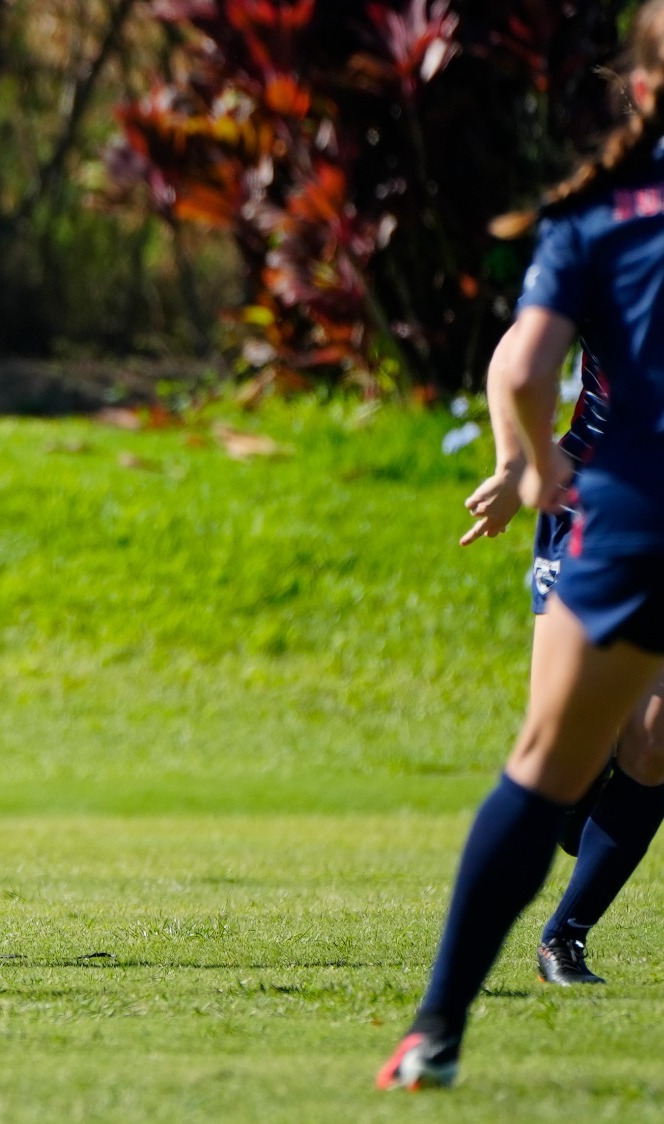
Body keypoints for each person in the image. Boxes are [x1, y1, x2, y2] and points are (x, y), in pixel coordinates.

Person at [382, 1, 664, 1086]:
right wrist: (527, 465)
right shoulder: (595, 217)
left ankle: (443, 1021)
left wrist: (518, 456)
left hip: (623, 516)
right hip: (611, 511)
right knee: (586, 752)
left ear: (632, 90)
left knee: (581, 758)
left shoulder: (592, 215)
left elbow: (514, 370)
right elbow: (518, 368)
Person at [460, 349, 664, 989]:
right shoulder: (613, 253)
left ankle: (565, 938)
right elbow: (516, 361)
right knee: (574, 738)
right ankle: (584, 790)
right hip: (592, 508)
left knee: (656, 741)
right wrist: (514, 463)